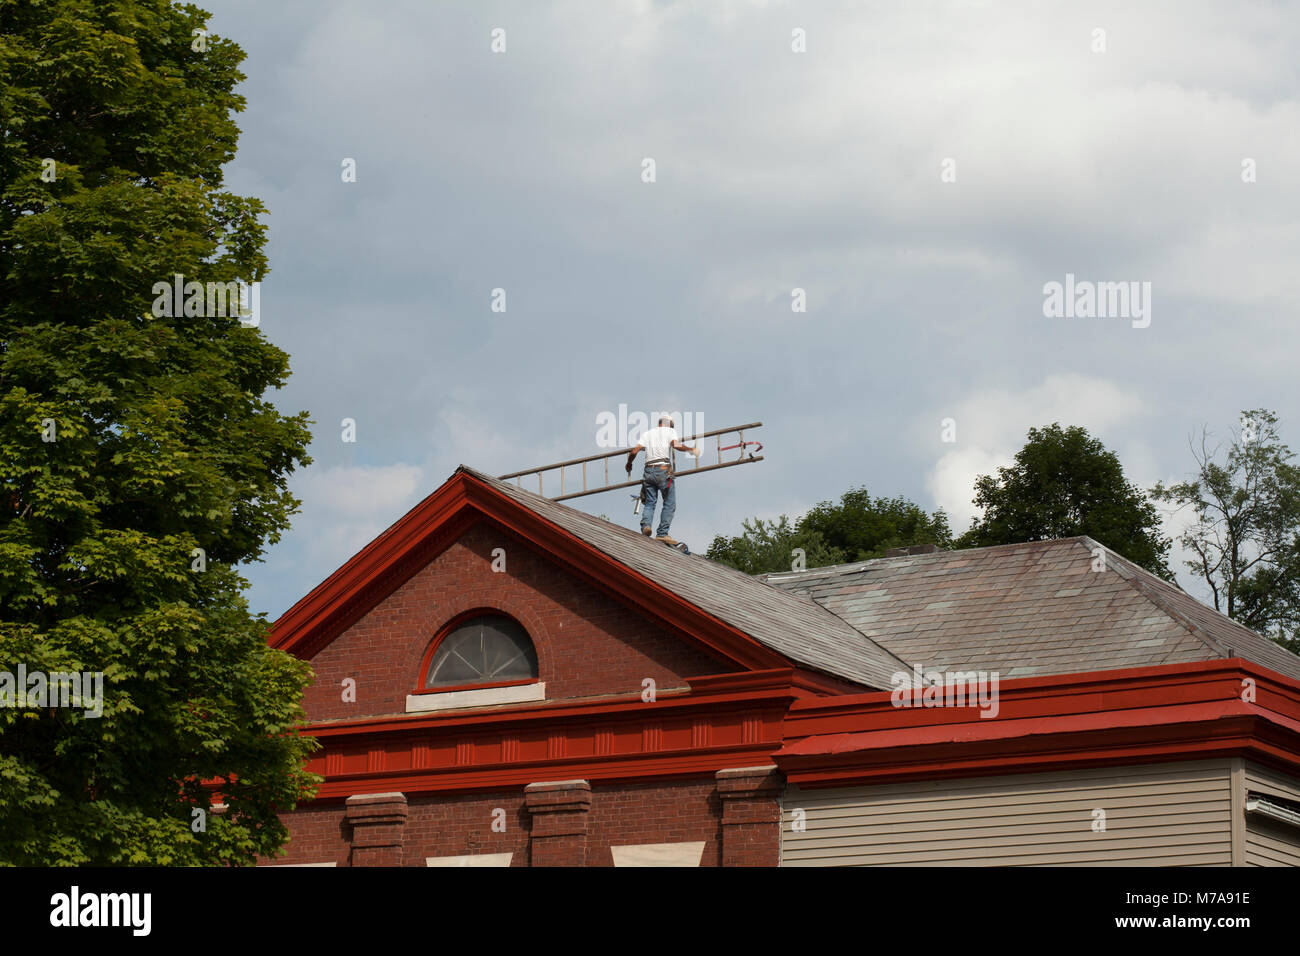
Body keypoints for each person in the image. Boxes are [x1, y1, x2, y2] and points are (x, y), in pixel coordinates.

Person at [625, 416, 699, 545]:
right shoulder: (669, 431)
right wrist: (691, 449)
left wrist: (629, 463)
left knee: (650, 502)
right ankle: (662, 533)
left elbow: (635, 450)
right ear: (669, 424)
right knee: (669, 503)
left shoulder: (647, 434)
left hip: (648, 471)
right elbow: (675, 445)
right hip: (663, 469)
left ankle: (646, 526)